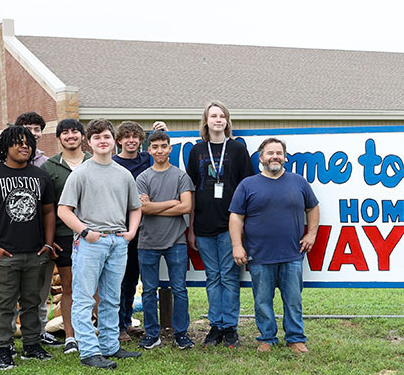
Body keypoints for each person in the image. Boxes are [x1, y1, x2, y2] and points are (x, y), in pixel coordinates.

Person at [57, 119, 143, 369]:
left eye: (106, 136)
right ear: (89, 142)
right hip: (91, 243)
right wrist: (85, 232)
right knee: (84, 298)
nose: (102, 141)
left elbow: (135, 208)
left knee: (111, 297)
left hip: (117, 242)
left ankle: (109, 345)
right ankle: (89, 351)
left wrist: (130, 233)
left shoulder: (123, 174)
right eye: (96, 138)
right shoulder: (81, 173)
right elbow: (64, 210)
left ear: (113, 140)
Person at [0, 126, 57, 369]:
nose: (24, 146)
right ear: (5, 147)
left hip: (35, 252)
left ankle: (31, 345)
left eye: (28, 143)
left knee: (32, 301)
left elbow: (49, 211)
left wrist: (48, 244)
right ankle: (3, 349)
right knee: (4, 303)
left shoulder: (41, 176)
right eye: (18, 142)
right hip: (4, 254)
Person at [229, 138, 319, 353]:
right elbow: (236, 217)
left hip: (292, 253)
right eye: (270, 153)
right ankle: (266, 339)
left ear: (285, 157)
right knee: (262, 301)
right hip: (259, 255)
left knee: (293, 300)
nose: (275, 156)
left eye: (279, 153)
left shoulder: (298, 182)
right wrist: (237, 246)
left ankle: (296, 338)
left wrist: (312, 234)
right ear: (261, 158)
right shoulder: (248, 185)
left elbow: (313, 208)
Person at [187, 101, 253, 347]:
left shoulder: (237, 149)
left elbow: (247, 188)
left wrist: (244, 226)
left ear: (227, 121)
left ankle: (230, 327)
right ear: (206, 120)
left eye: (222, 116)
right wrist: (191, 227)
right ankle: (215, 326)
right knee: (212, 277)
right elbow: (191, 190)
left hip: (230, 225)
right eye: (213, 115)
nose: (218, 119)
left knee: (229, 277)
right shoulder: (196, 151)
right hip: (204, 225)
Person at [135, 130, 195, 350]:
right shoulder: (142, 178)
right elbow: (143, 208)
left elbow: (186, 207)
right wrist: (172, 202)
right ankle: (152, 333)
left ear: (170, 149)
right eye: (155, 146)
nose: (159, 150)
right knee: (149, 290)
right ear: (149, 150)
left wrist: (154, 207)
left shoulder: (180, 176)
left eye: (163, 146)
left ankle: (181, 333)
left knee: (179, 288)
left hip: (176, 240)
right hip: (147, 241)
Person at [43, 118, 90, 354]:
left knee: (95, 288)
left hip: (94, 235)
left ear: (83, 136)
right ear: (59, 138)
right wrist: (48, 239)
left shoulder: (95, 161)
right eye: (65, 132)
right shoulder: (50, 167)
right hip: (63, 236)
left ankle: (92, 332)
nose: (70, 136)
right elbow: (46, 208)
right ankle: (70, 336)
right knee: (69, 287)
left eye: (75, 131)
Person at [16, 110, 60, 348]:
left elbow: (52, 205)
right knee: (12, 292)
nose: (32, 134)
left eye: (36, 129)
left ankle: (40, 330)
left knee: (41, 290)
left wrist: (50, 238)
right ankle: (11, 335)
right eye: (27, 128)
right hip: (13, 240)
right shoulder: (5, 162)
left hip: (43, 239)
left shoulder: (47, 164)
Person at [114, 120, 153, 341]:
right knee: (119, 278)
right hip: (120, 228)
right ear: (119, 140)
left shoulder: (147, 160)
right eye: (126, 137)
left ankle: (127, 322)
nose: (131, 140)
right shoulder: (113, 163)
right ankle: (117, 326)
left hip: (145, 228)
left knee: (132, 278)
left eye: (135, 137)